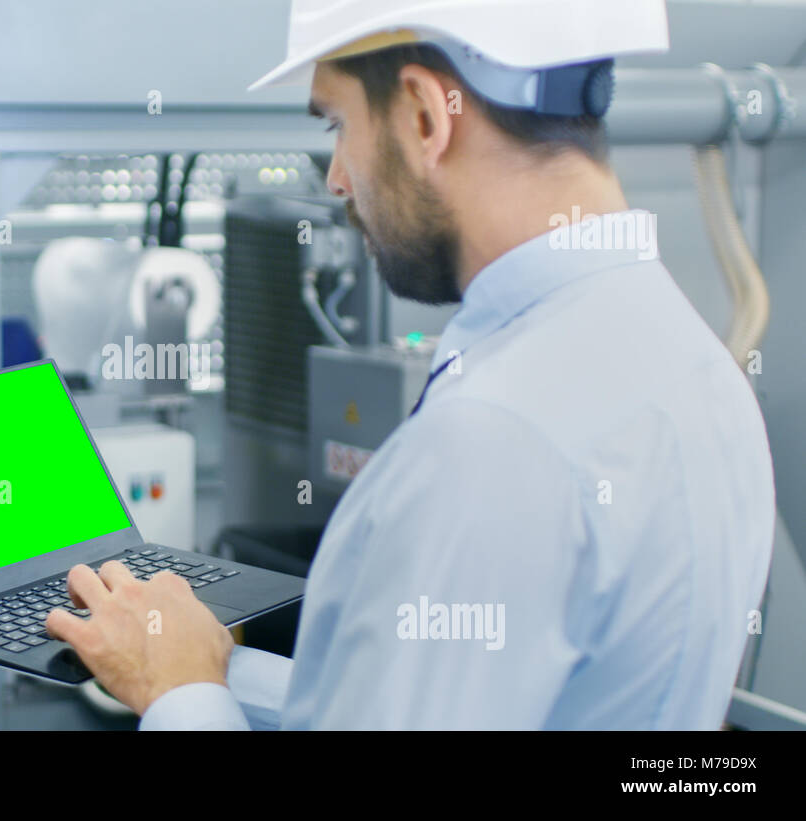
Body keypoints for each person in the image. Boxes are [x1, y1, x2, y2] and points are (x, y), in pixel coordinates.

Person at [45, 0, 776, 729]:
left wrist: (180, 698)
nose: (335, 178)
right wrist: (209, 665)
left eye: (338, 125)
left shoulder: (488, 443)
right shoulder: (700, 366)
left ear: (426, 115)